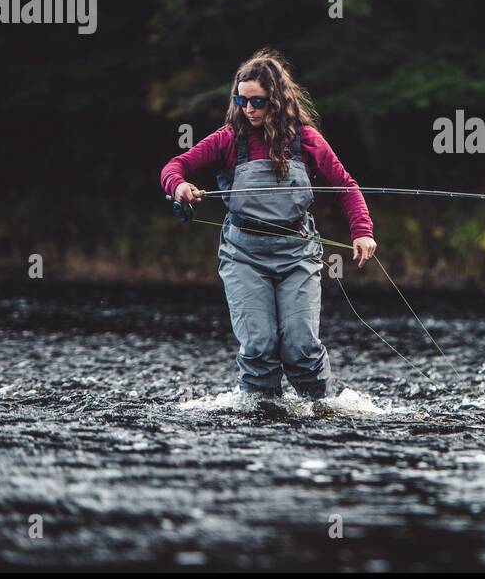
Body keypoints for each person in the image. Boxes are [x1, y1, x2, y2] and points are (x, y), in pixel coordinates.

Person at [159, 48, 376, 401]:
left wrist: (362, 232)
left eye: (257, 102)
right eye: (240, 100)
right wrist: (179, 186)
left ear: (276, 100)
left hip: (297, 255)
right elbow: (174, 167)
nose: (248, 110)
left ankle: (319, 409)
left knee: (301, 346)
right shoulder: (228, 139)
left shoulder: (306, 139)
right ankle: (261, 412)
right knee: (259, 345)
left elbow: (346, 185)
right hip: (243, 255)